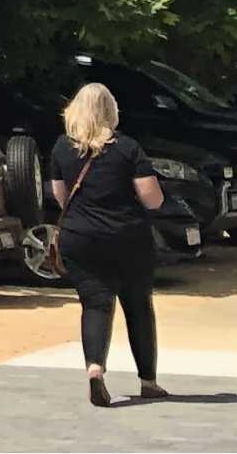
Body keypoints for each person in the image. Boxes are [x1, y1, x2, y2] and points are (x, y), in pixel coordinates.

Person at [49, 80, 169, 406]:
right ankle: (148, 381)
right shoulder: (128, 147)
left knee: (95, 304)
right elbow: (152, 198)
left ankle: (94, 370)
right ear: (110, 111)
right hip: (127, 238)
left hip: (79, 238)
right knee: (138, 307)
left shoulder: (62, 147)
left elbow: (61, 197)